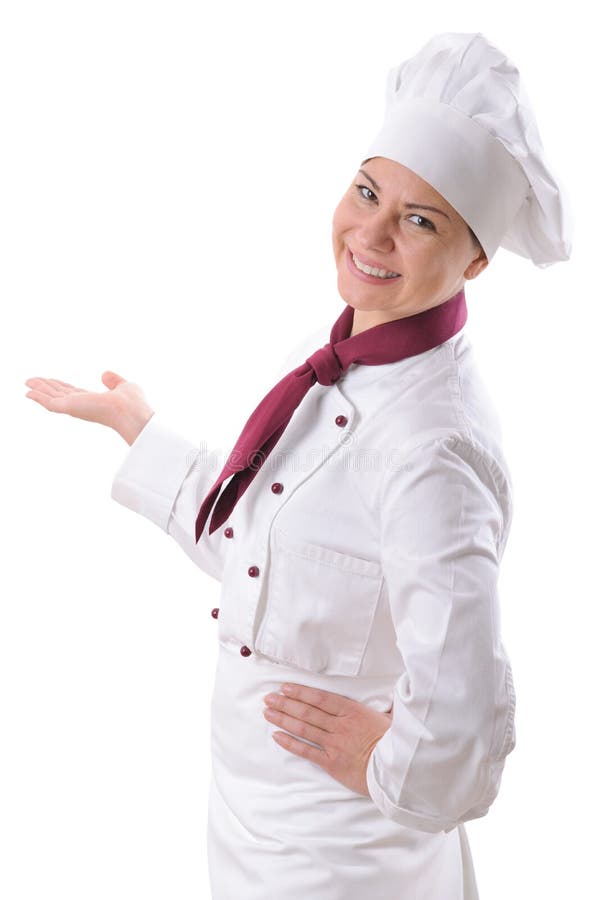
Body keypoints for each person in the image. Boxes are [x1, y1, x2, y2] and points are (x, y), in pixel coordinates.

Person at [24, 31, 572, 900]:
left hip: (341, 861)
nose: (372, 232)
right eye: (367, 191)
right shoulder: (348, 355)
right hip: (249, 819)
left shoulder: (435, 447)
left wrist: (394, 767)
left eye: (419, 220)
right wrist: (141, 428)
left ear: (475, 259)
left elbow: (460, 710)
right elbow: (278, 557)